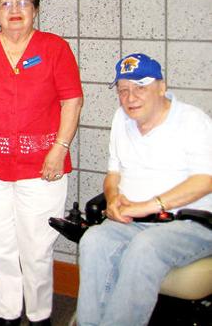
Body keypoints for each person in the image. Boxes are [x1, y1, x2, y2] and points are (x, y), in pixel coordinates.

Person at [0, 0, 83, 326]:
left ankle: (40, 313)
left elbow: (72, 101)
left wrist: (59, 148)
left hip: (44, 165)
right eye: (5, 3)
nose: (14, 9)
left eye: (23, 2)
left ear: (35, 9)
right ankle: (7, 313)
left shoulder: (54, 48)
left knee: (37, 247)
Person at [77, 53, 212, 326]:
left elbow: (205, 180)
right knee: (93, 240)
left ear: (162, 87)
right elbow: (113, 173)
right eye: (123, 90)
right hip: (134, 220)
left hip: (189, 222)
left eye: (140, 87)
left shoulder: (192, 120)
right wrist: (114, 199)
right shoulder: (121, 119)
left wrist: (149, 205)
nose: (130, 98)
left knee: (145, 248)